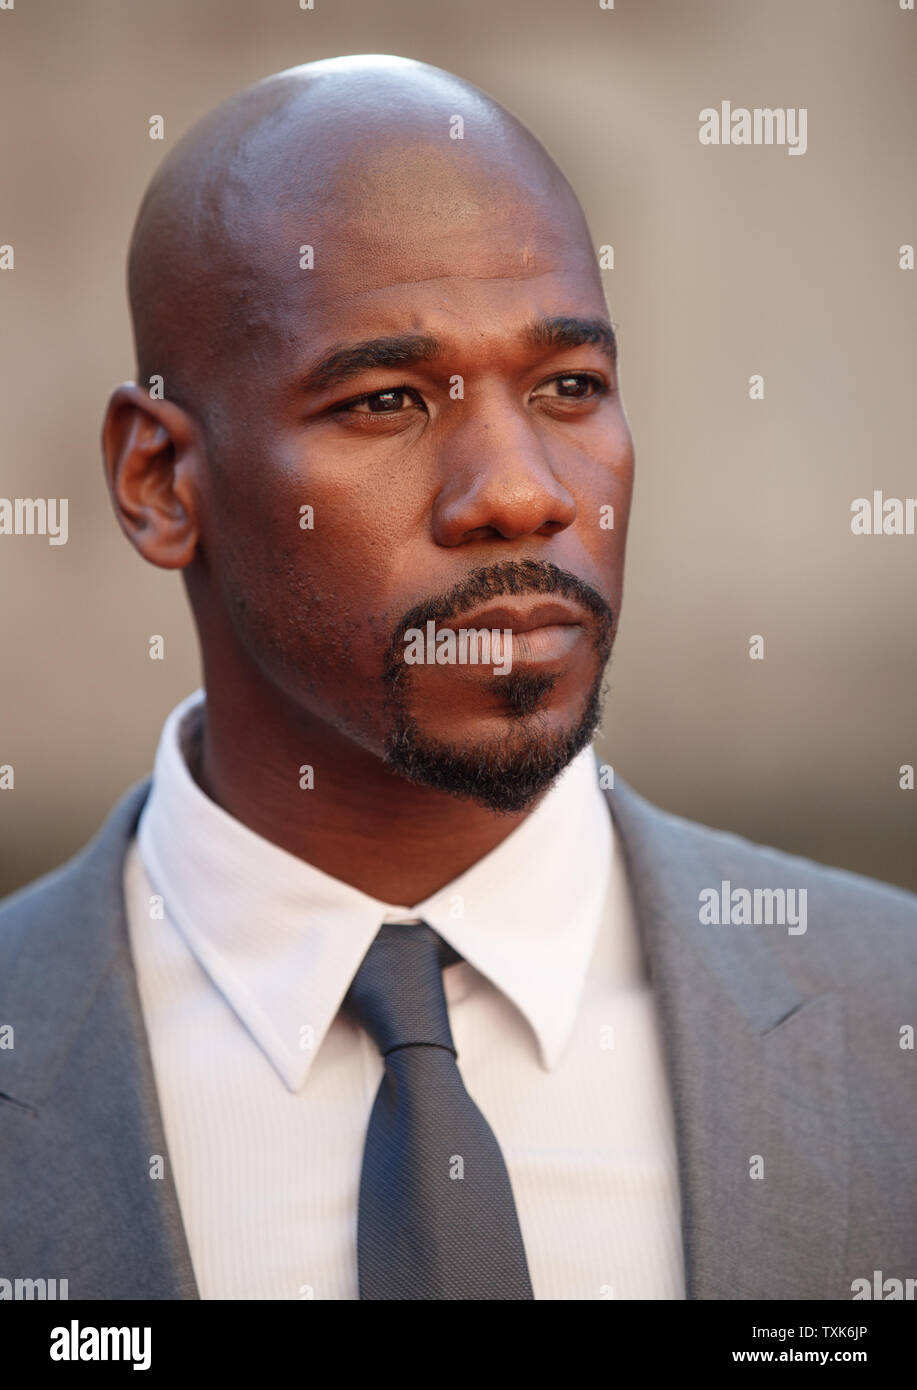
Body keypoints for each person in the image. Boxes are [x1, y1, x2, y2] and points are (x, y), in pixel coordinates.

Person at [1, 55, 914, 1302]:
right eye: (386, 401)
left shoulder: (886, 1021)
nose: (524, 491)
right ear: (160, 481)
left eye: (568, 388)